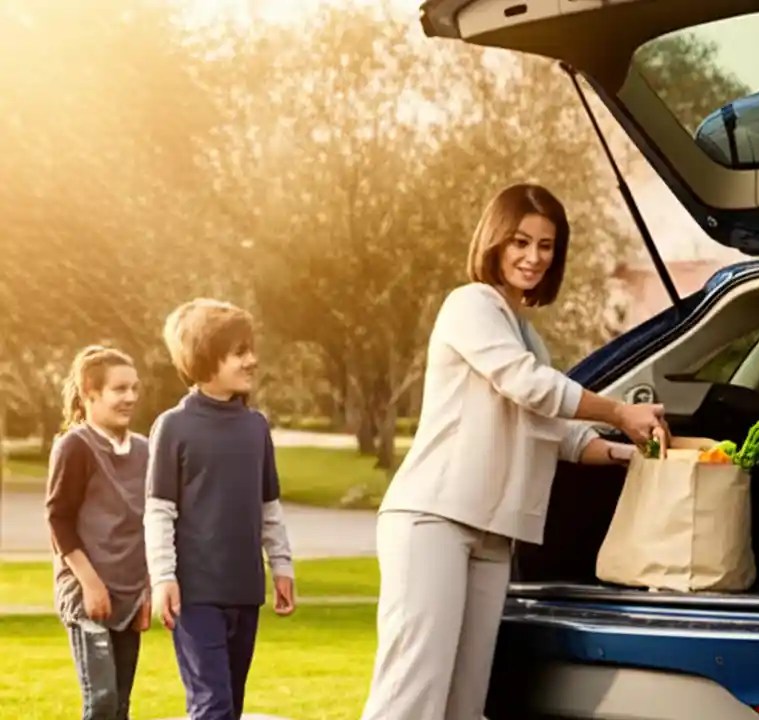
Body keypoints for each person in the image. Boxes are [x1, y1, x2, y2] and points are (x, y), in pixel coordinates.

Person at [360, 183, 668, 720]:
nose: (533, 257)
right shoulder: (470, 304)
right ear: (495, 242)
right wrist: (620, 411)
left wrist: (630, 453)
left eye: (546, 246)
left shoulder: (526, 334)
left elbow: (556, 429)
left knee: (465, 707)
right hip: (435, 519)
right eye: (520, 241)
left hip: (492, 533)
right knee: (410, 701)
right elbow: (528, 385)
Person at [143, 298, 296, 720]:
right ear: (207, 357)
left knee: (231, 707)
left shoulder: (256, 426)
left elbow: (269, 507)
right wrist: (163, 578)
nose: (253, 360)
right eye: (240, 352)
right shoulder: (173, 426)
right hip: (195, 595)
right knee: (212, 707)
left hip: (245, 590)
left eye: (251, 349)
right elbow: (159, 511)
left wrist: (281, 566)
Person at [45, 345, 150, 720]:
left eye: (134, 388)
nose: (131, 397)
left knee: (121, 706)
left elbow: (149, 525)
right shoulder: (75, 447)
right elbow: (58, 519)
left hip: (129, 596)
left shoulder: (144, 451)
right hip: (87, 594)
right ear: (90, 392)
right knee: (102, 702)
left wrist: (146, 591)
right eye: (119, 389)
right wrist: (90, 584)